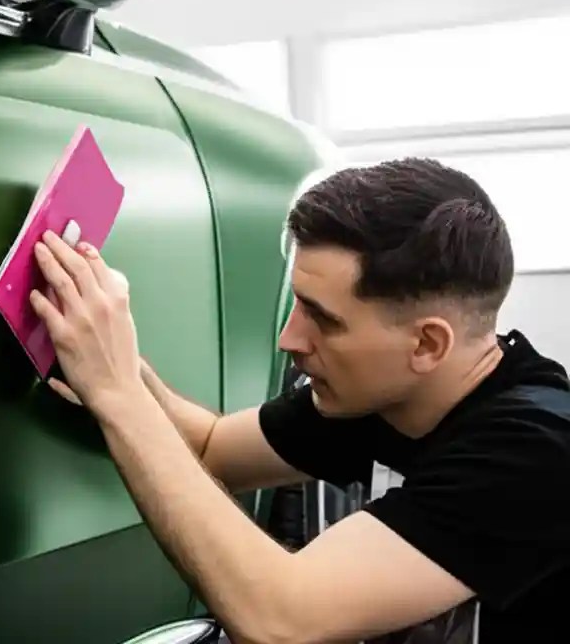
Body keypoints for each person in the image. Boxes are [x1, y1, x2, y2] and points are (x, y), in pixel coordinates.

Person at [29, 157, 570, 643]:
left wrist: (119, 396)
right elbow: (214, 448)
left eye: (324, 320)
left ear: (427, 344)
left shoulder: (536, 450)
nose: (289, 339)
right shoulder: (389, 393)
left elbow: (281, 619)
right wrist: (110, 357)